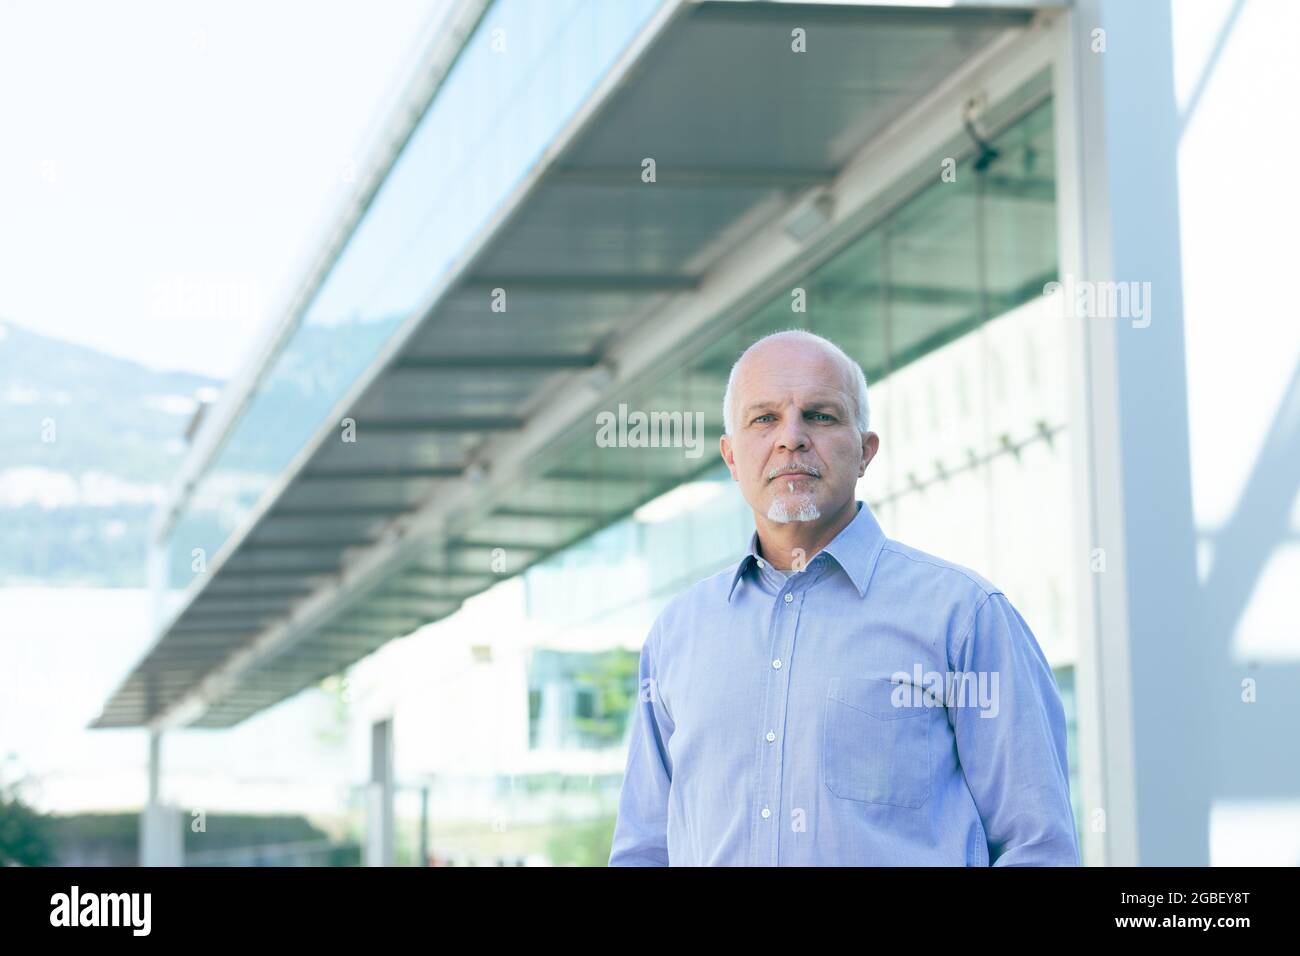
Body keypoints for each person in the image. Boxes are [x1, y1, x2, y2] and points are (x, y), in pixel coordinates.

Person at [608, 329, 1079, 866]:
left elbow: (1038, 848)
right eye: (764, 419)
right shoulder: (678, 634)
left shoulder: (963, 618)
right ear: (731, 457)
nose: (791, 438)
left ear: (865, 451)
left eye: (821, 416)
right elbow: (644, 849)